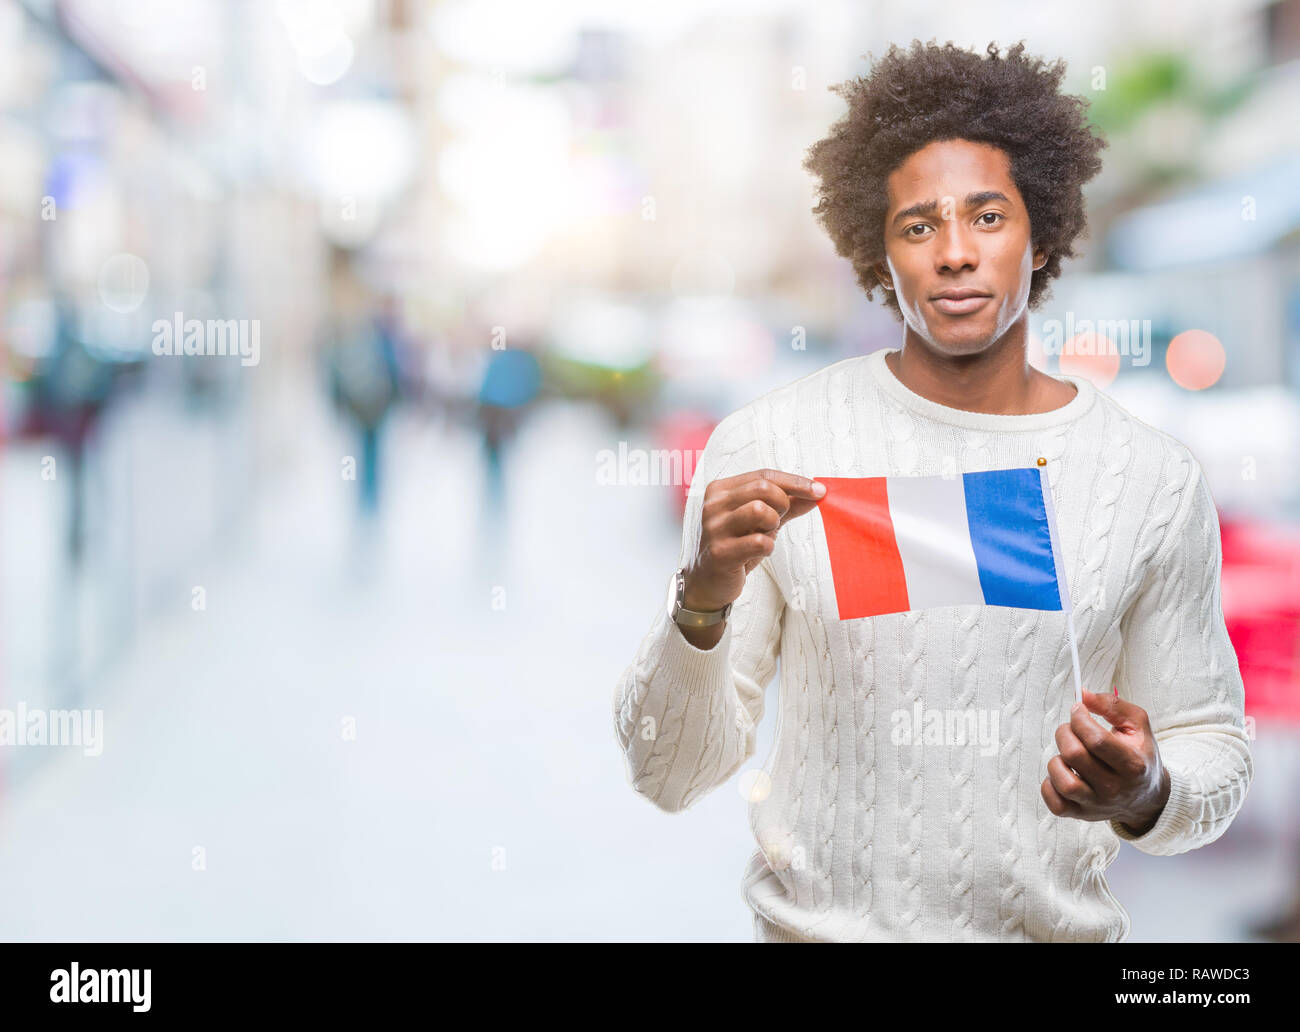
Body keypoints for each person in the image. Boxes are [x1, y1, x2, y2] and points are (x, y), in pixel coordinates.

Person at [611, 40, 1252, 942]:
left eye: (988, 217)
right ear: (879, 253)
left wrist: (1147, 789)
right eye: (919, 226)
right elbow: (666, 772)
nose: (955, 253)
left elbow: (1212, 746)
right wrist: (702, 601)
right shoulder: (772, 449)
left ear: (1042, 230)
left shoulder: (1148, 479)